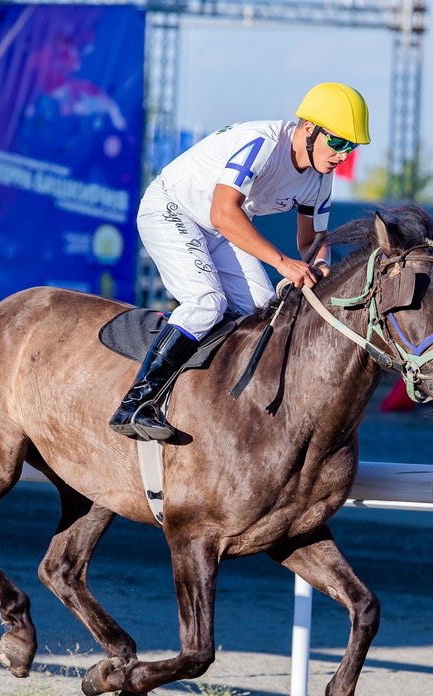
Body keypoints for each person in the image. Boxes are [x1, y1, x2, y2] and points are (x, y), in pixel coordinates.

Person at [109, 81, 370, 441]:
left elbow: (313, 240)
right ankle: (136, 403)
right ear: (309, 129)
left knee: (266, 316)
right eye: (339, 142)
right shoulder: (264, 143)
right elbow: (222, 212)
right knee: (206, 303)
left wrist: (320, 264)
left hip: (221, 230)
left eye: (351, 147)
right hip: (172, 209)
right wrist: (283, 263)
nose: (343, 155)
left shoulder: (320, 180)